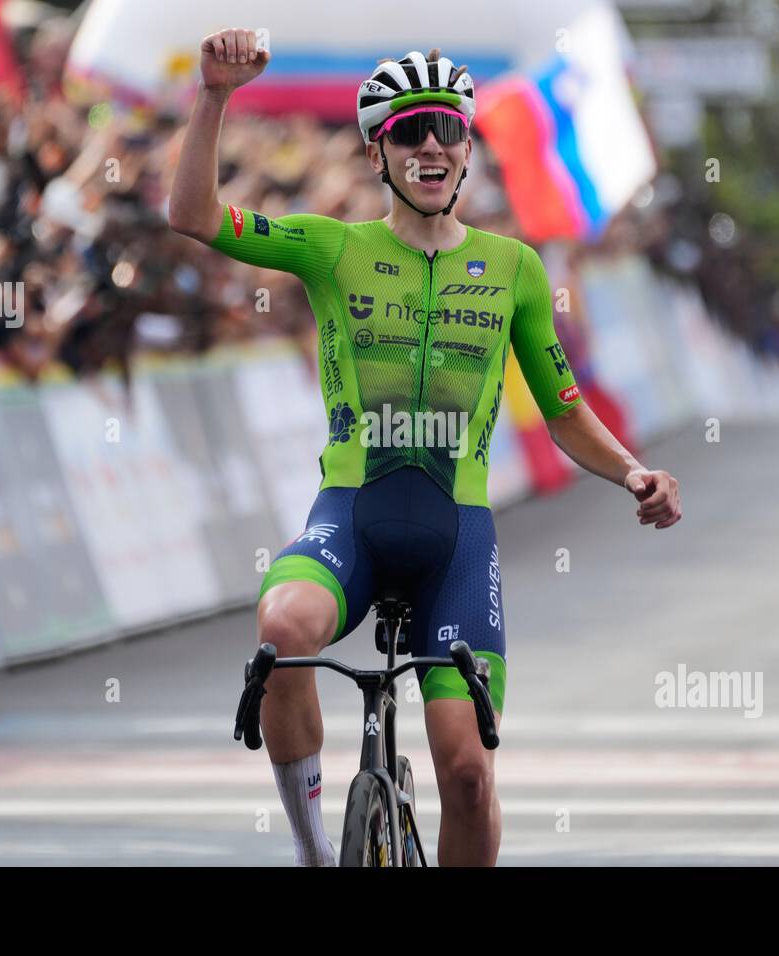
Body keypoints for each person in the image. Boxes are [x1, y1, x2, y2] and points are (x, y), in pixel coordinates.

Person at [168, 28, 682, 867]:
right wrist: (215, 95)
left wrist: (633, 473)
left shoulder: (514, 268)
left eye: (447, 129)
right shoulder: (333, 248)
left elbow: (564, 410)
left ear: (469, 148)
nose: (431, 146)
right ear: (378, 152)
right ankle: (314, 852)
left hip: (456, 538)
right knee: (283, 627)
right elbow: (191, 217)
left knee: (469, 777)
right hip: (352, 517)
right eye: (410, 132)